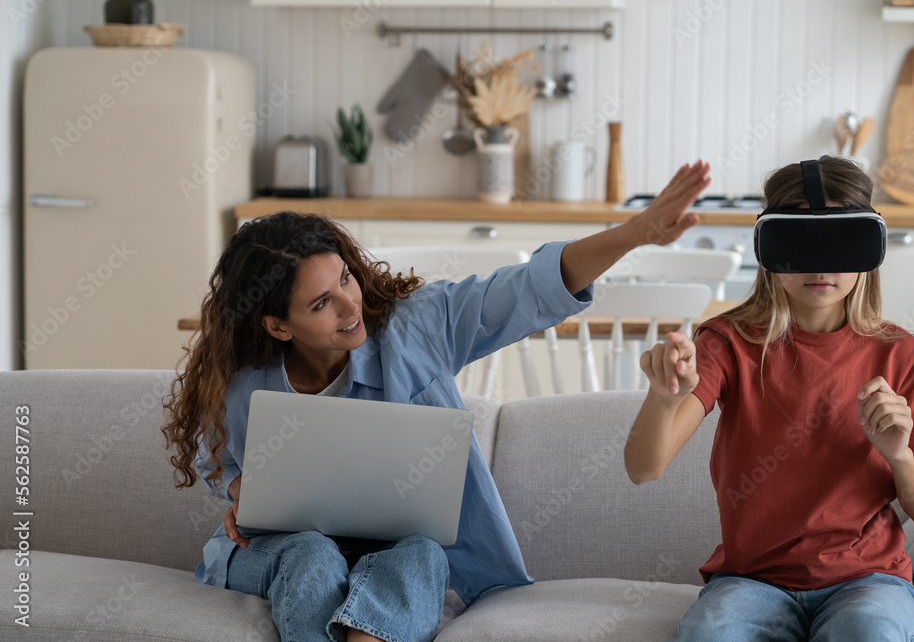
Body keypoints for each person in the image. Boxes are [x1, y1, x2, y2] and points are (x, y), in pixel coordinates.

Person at [162, 161, 712, 642]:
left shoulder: (417, 327)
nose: (349, 306)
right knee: (311, 552)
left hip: (394, 552)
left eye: (346, 279)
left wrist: (634, 233)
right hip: (283, 552)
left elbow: (528, 289)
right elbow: (222, 465)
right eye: (322, 303)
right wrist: (240, 490)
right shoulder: (243, 381)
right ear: (278, 325)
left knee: (425, 555)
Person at [624, 156, 914, 642]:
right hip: (753, 583)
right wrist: (664, 396)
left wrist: (898, 455)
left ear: (866, 247)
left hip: (868, 583)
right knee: (712, 635)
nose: (819, 265)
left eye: (837, 243)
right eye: (800, 244)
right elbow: (642, 468)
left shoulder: (902, 356)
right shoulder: (727, 343)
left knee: (867, 633)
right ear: (768, 248)